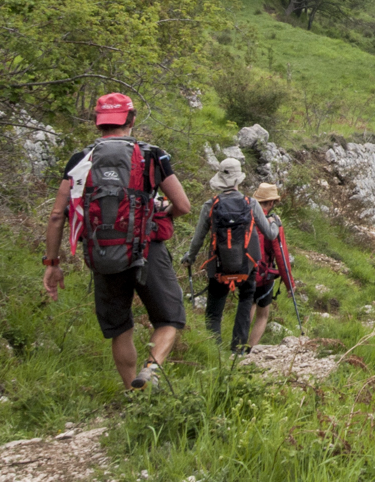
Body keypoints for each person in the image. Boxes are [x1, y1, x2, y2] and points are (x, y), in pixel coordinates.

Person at [43, 92, 192, 390]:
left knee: (120, 328)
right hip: (148, 250)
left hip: (103, 253)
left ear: (99, 123)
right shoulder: (152, 155)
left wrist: (52, 263)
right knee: (170, 319)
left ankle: (131, 392)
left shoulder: (80, 160)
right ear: (131, 119)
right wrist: (164, 211)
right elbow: (184, 206)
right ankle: (151, 369)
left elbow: (57, 215)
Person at [182, 159, 280, 353]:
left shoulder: (210, 205)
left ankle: (214, 352)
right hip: (248, 266)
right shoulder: (250, 203)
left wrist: (189, 258)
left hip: (218, 267)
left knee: (214, 311)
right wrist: (276, 223)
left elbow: (198, 238)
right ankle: (238, 351)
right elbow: (269, 233)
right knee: (245, 303)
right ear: (238, 180)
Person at [245, 182, 296, 348]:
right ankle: (250, 349)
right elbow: (281, 255)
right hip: (262, 274)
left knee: (248, 305)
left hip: (243, 271)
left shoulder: (245, 216)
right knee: (263, 315)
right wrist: (290, 285)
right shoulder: (271, 222)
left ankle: (238, 347)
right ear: (272, 202)